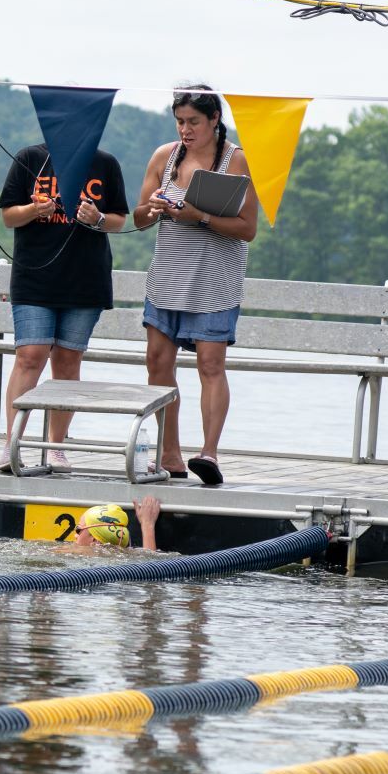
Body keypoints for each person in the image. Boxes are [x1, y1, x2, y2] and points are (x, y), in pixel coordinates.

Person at [132, 85, 258, 487]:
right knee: (157, 361)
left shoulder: (236, 161)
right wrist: (152, 209)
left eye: (194, 122)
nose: (186, 130)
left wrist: (198, 216)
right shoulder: (163, 157)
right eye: (180, 122)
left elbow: (248, 229)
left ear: (214, 120)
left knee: (210, 364)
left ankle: (209, 452)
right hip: (168, 273)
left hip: (214, 278)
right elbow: (137, 219)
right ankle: (169, 452)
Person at [0, 138, 129, 467]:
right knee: (30, 355)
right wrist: (34, 209)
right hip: (34, 276)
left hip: (85, 278)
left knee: (68, 361)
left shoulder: (105, 162)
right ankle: (12, 444)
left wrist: (96, 217)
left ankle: (55, 446)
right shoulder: (30, 157)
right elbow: (9, 216)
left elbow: (120, 219)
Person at [65, 496, 163, 551]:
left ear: (95, 541)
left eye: (78, 530)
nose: (75, 535)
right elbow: (149, 564)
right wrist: (147, 525)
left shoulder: (73, 554)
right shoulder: (128, 557)